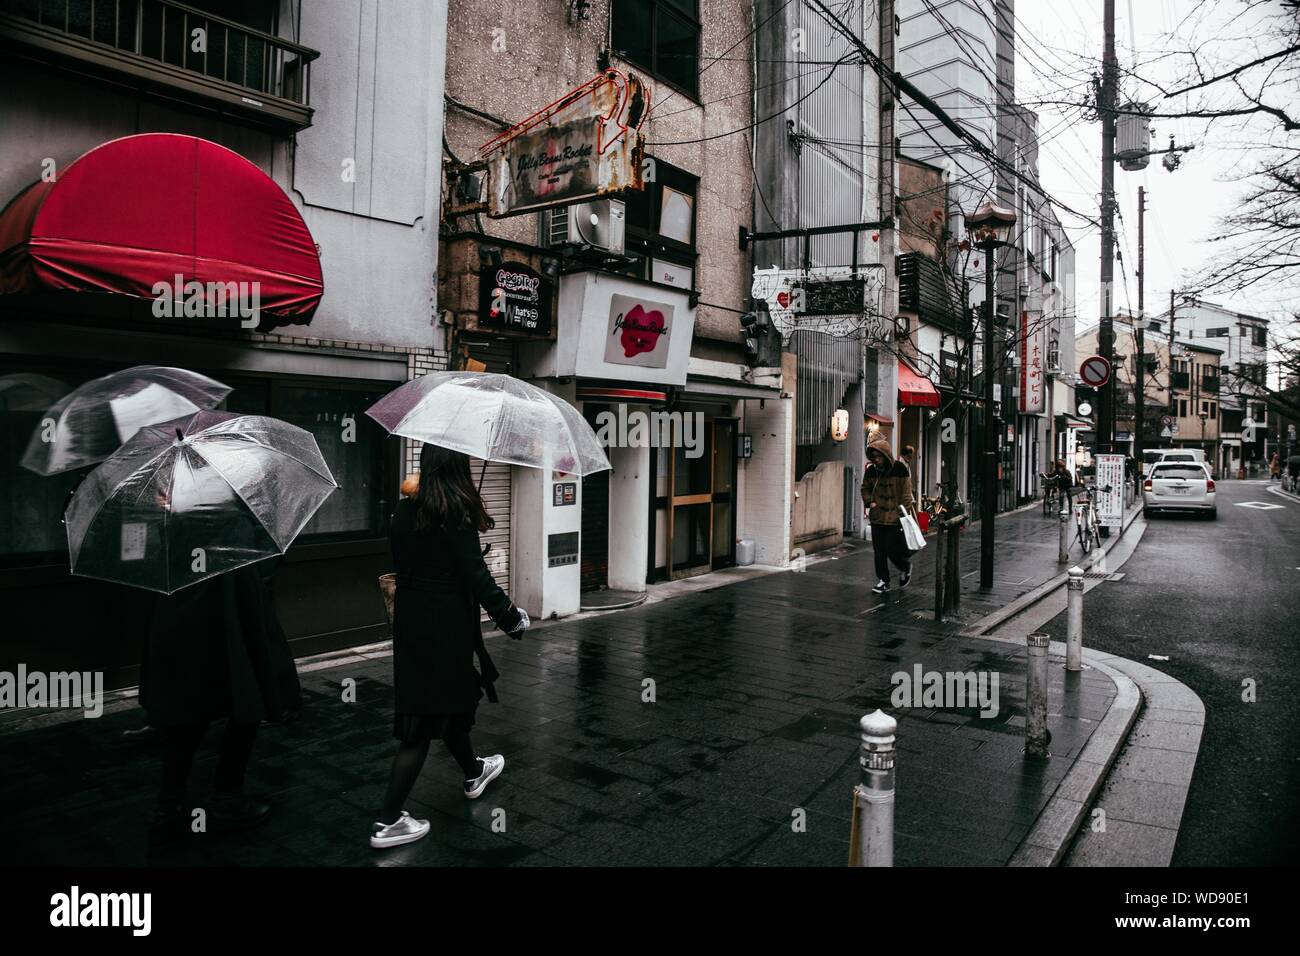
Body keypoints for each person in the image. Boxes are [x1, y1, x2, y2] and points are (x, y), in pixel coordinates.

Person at [371, 445, 529, 850]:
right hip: (445, 629)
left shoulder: (404, 511)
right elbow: (476, 577)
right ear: (458, 467)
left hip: (412, 624)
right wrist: (511, 617)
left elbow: (419, 563)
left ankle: (474, 770)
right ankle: (387, 822)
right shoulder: (454, 514)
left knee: (448, 701)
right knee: (422, 723)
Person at [142, 561, 299, 846]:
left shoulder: (175, 523)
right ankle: (226, 796)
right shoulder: (231, 525)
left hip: (187, 614)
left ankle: (170, 804)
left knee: (188, 713)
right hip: (229, 609)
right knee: (247, 701)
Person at [861, 436, 916, 594]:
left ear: (885, 455)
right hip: (878, 517)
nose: (876, 460)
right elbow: (865, 488)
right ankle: (883, 581)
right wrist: (869, 502)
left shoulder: (900, 469)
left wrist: (903, 513)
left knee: (892, 549)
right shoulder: (872, 471)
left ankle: (905, 566)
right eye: (874, 457)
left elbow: (906, 494)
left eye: (879, 456)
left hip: (894, 517)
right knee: (879, 551)